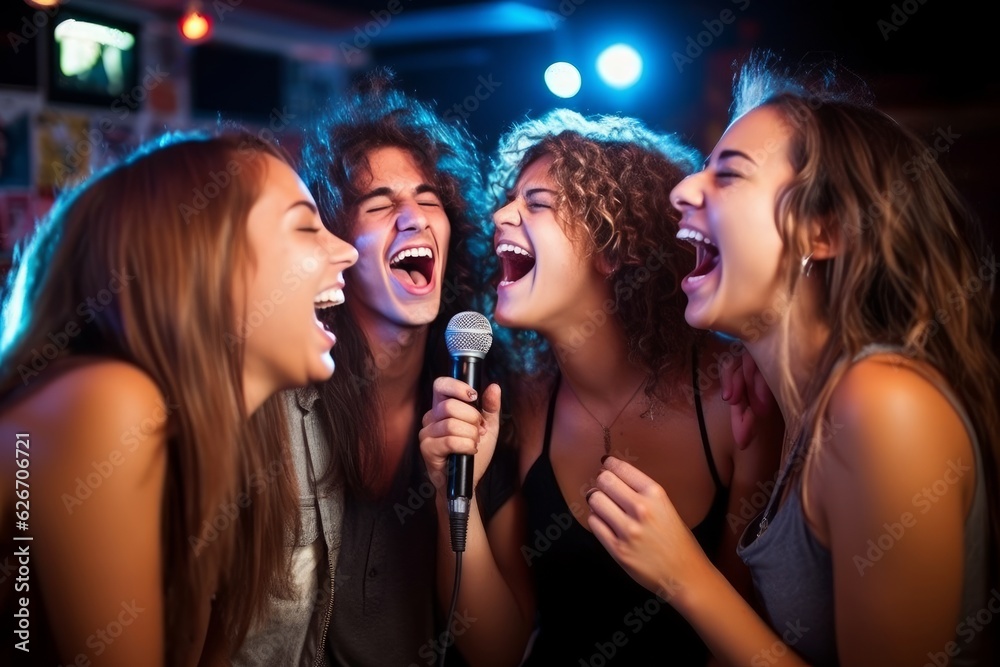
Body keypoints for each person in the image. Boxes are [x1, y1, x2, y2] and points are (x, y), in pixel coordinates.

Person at [588, 53, 1000, 666]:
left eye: (727, 176)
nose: (681, 191)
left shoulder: (882, 402)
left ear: (822, 230)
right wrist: (762, 458)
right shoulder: (807, 411)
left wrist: (684, 578)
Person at [420, 109, 783, 665]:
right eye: (510, 198)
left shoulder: (734, 396)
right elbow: (498, 648)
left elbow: (745, 640)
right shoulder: (529, 398)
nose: (501, 215)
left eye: (537, 203)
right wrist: (455, 495)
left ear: (618, 249)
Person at [0, 131, 358, 666]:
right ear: (204, 258)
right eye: (306, 227)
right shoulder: (107, 400)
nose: (347, 250)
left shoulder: (215, 452)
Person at [234, 73, 534, 667]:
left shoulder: (485, 397)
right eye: (380, 204)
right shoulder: (285, 387)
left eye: (429, 200)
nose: (414, 218)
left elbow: (501, 652)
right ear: (337, 244)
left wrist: (457, 496)